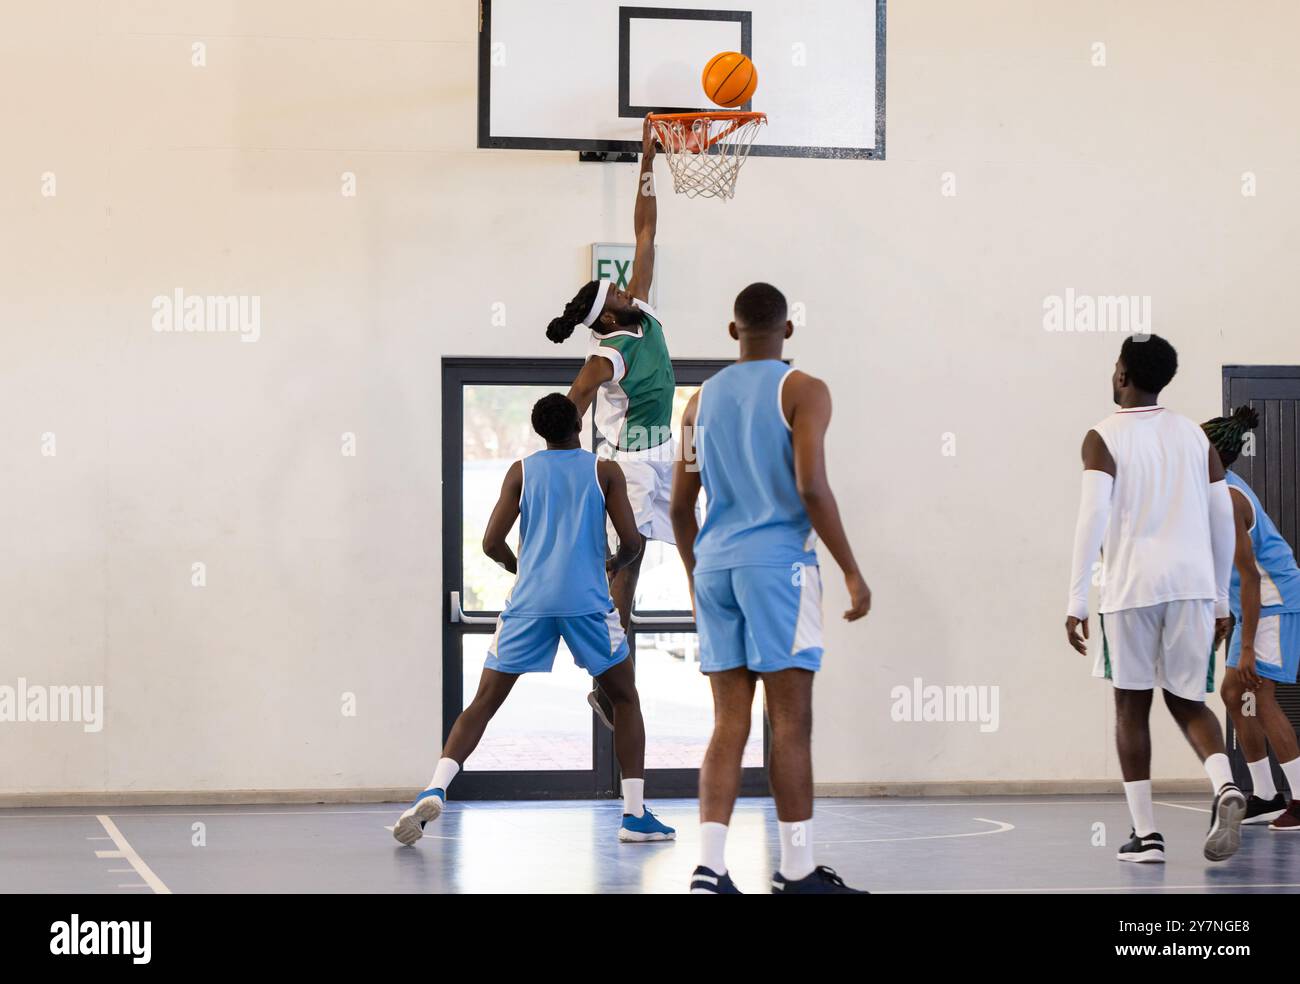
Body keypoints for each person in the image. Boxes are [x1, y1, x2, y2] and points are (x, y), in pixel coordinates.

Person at [392, 395, 675, 846]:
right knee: (624, 699)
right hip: (586, 603)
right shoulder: (605, 471)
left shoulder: (521, 471)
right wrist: (613, 564)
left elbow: (490, 543)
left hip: (530, 603)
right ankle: (634, 815)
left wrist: (521, 569)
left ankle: (435, 787)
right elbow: (633, 541)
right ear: (578, 424)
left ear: (540, 430)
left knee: (482, 703)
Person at [670, 283, 872, 894]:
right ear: (788, 330)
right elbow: (812, 486)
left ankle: (711, 868)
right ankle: (797, 870)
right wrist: (852, 571)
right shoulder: (803, 389)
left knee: (729, 720)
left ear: (734, 332)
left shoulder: (696, 403)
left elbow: (682, 507)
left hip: (714, 569)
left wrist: (695, 572)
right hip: (778, 568)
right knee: (790, 721)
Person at [1065, 335, 1244, 863]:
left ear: (1122, 375)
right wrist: (1219, 600)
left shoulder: (1102, 436)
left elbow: (1091, 517)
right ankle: (1226, 786)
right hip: (1191, 587)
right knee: (1189, 700)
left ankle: (1146, 836)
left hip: (1131, 588)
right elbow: (1221, 523)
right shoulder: (1195, 436)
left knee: (1130, 705)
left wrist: (1076, 598)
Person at [547, 117, 677, 731]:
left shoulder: (644, 311)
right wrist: (568, 465)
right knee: (627, 572)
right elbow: (569, 404)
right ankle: (608, 682)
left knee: (699, 539)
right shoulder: (608, 355)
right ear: (608, 313)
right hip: (631, 463)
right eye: (617, 290)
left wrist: (648, 157)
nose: (627, 285)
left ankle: (612, 671)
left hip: (669, 451)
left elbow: (646, 229)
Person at [1203, 405, 1300, 830]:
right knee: (1232, 693)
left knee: (1259, 697)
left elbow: (1251, 578)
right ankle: (1263, 794)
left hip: (1274, 602)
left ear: (1211, 455)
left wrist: (1244, 645)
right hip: (1251, 606)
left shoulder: (1228, 498)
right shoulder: (1215, 487)